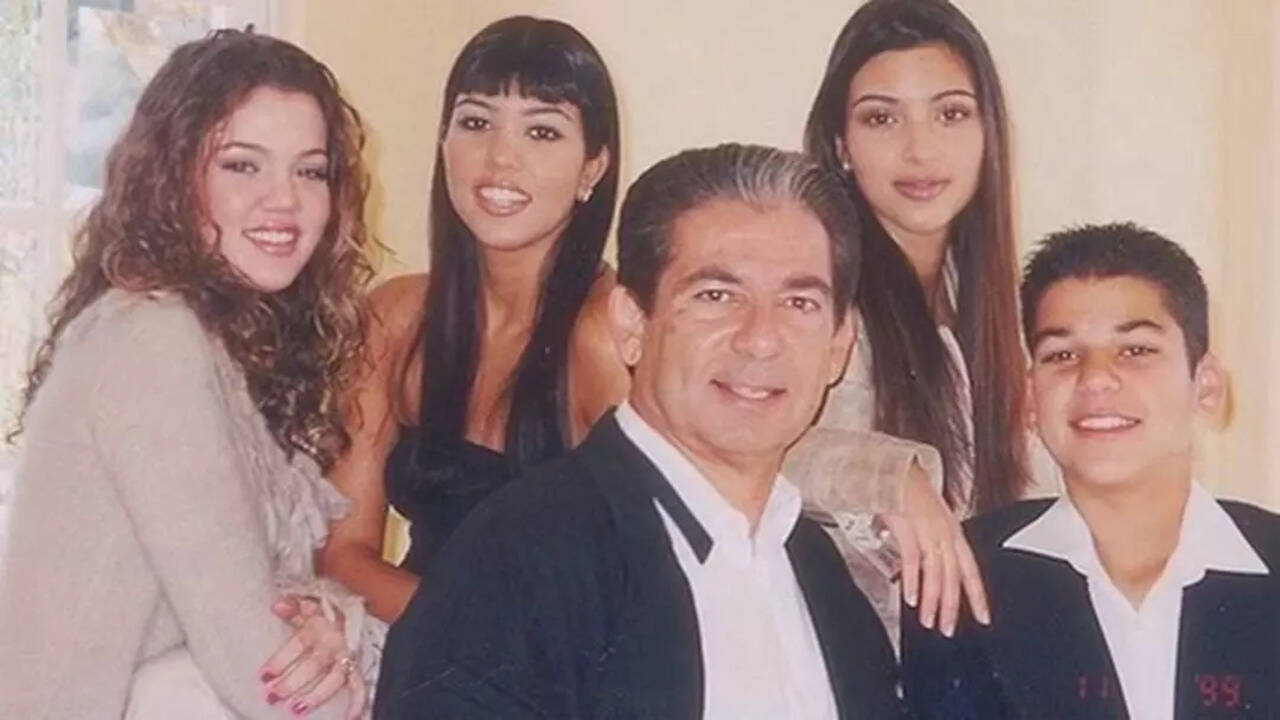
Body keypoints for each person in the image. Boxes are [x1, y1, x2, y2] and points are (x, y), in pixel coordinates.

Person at [374, 143, 903, 719]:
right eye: (716, 296)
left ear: (839, 346)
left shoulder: (822, 579)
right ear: (630, 324)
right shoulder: (518, 560)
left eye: (799, 302)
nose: (760, 339)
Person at [0, 30, 381, 720]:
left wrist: (322, 629)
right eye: (242, 165)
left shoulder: (216, 341)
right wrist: (355, 684)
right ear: (174, 178)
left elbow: (250, 617)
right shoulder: (149, 340)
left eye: (310, 171)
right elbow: (257, 674)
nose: (284, 200)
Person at [903, 223, 1280, 719]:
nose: (1096, 378)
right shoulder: (961, 579)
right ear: (1030, 400)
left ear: (1205, 386)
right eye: (1062, 355)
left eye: (1136, 350)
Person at [318, 15, 625, 622]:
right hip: (411, 636)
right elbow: (342, 554)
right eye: (477, 123)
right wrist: (456, 632)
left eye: (542, 131)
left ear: (592, 168)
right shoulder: (396, 317)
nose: (501, 158)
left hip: (556, 664)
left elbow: (643, 591)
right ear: (444, 142)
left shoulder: (609, 337)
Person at [800, 0, 1055, 639]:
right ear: (842, 144)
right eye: (882, 118)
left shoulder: (994, 309)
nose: (920, 150)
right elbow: (744, 441)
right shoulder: (814, 290)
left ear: (988, 132)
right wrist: (896, 478)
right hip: (841, 661)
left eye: (950, 113)